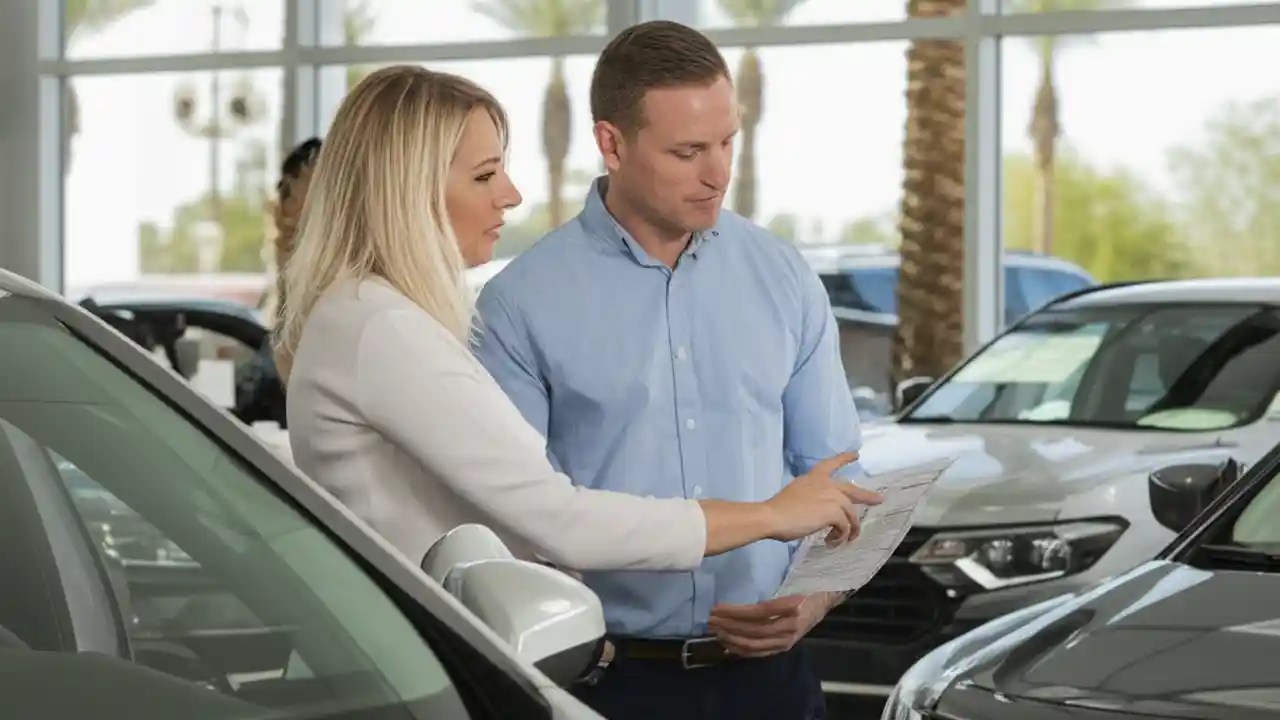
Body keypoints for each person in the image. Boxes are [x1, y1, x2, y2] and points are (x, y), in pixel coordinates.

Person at [274, 66, 879, 593]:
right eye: (484, 177)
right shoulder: (384, 330)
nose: (509, 195)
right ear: (407, 192)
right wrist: (768, 516)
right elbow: (558, 520)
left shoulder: (368, 320)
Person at [473, 21, 867, 719]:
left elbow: (837, 479)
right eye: (688, 151)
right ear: (611, 144)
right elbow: (515, 521)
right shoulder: (519, 304)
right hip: (604, 682)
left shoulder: (783, 275)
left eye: (727, 143)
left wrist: (817, 598)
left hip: (773, 681)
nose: (717, 172)